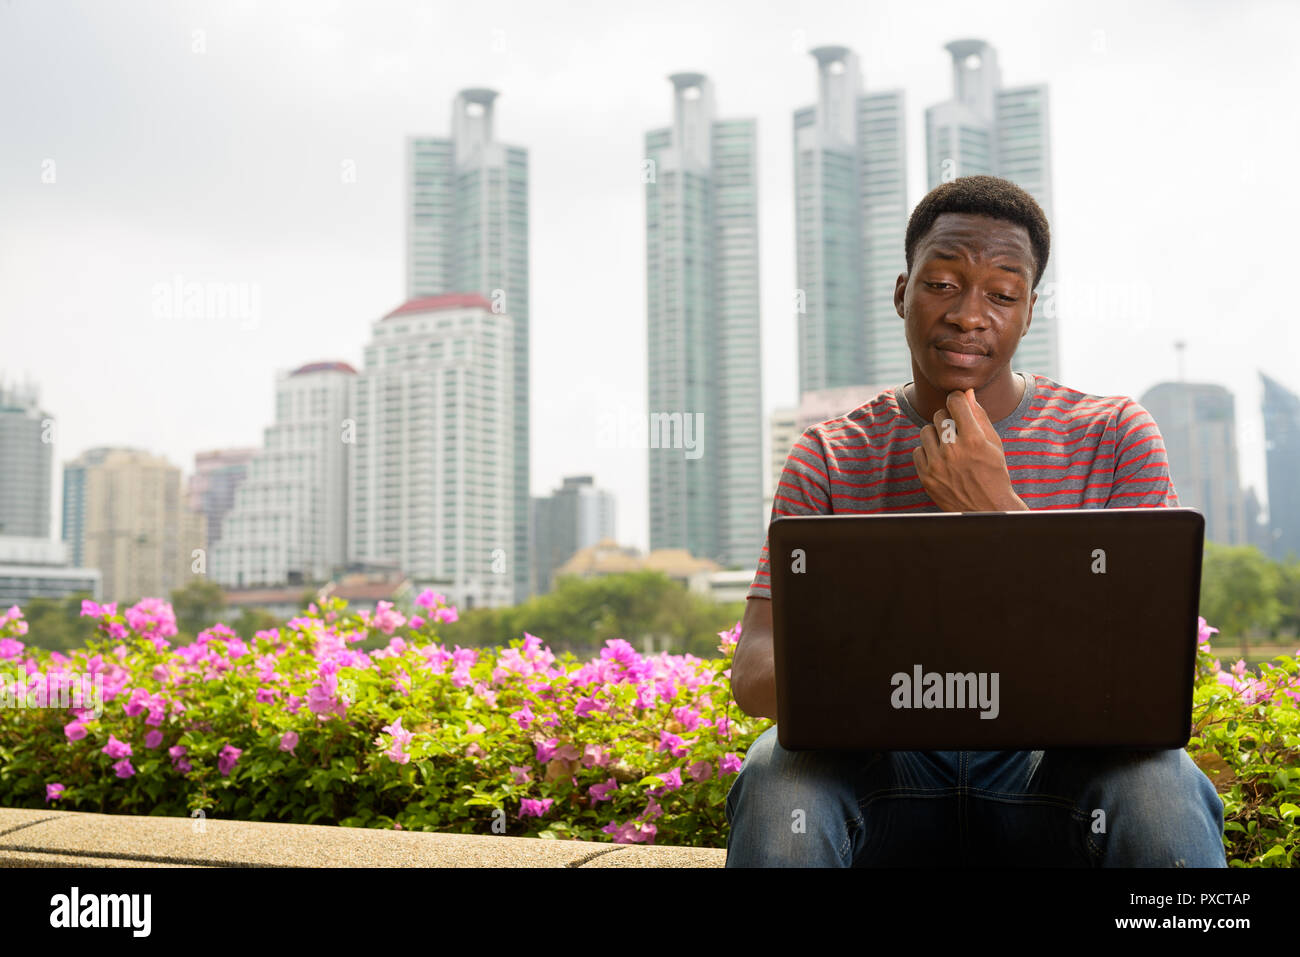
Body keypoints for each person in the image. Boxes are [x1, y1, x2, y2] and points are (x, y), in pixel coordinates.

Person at [725, 175, 1227, 867]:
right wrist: (907, 673)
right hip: (884, 785)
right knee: (780, 774)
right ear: (902, 292)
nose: (969, 313)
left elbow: (1140, 676)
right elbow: (754, 674)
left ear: (1028, 311)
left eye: (1001, 292)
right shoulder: (830, 454)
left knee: (1158, 785)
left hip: (1050, 780)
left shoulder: (1112, 436)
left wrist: (997, 513)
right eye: (943, 283)